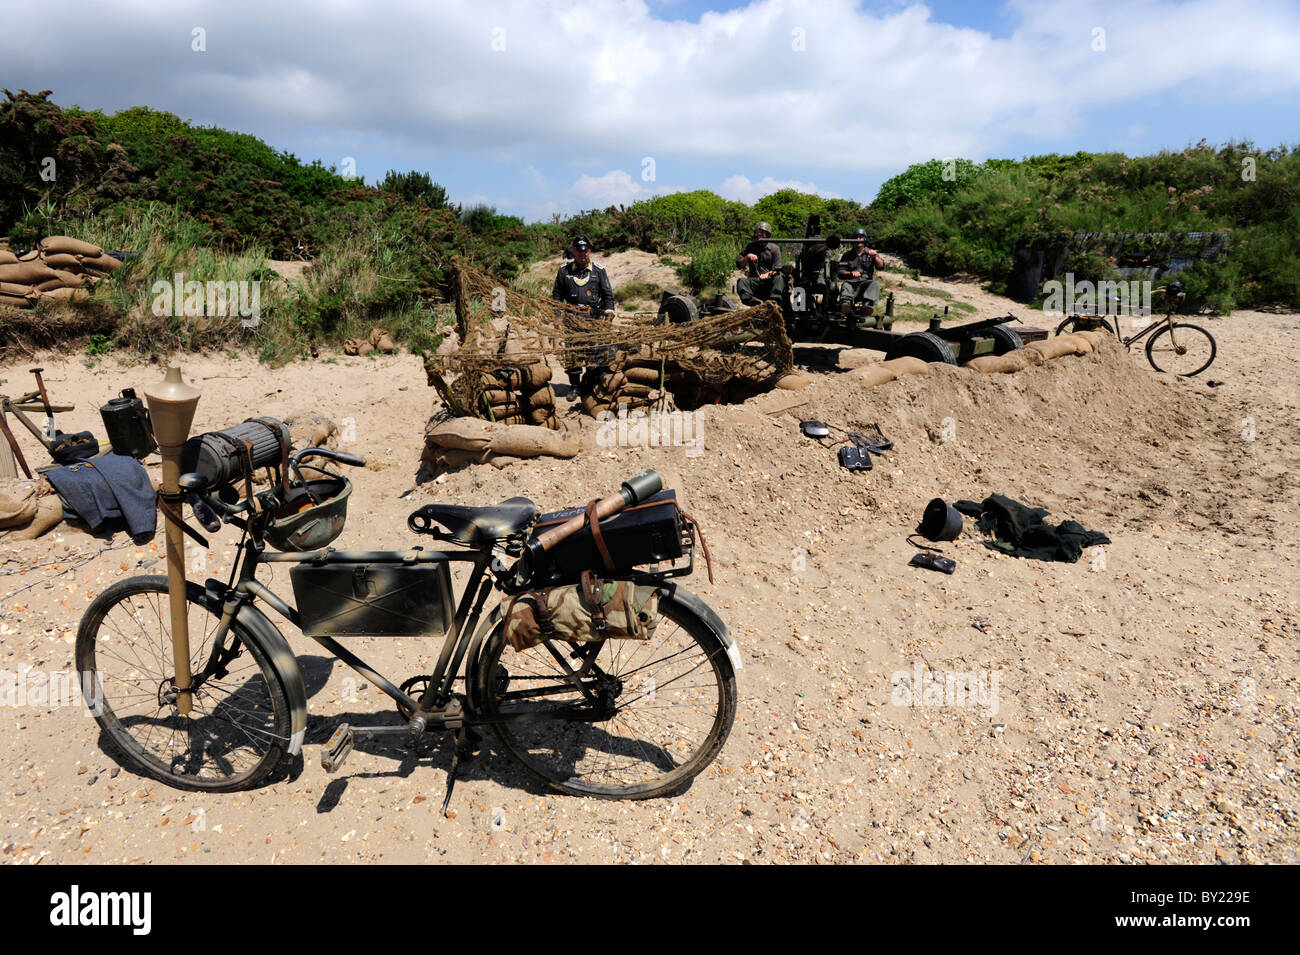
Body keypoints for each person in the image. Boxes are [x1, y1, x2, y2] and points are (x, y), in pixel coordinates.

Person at [551, 235, 615, 395]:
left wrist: (609, 316)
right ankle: (574, 387)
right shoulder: (564, 270)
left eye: (585, 252)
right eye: (579, 252)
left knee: (594, 352)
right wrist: (557, 316)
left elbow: (608, 296)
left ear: (590, 252)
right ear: (574, 252)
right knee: (573, 353)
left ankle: (588, 382)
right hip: (572, 319)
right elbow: (557, 296)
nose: (582, 255)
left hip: (593, 319)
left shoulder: (599, 271)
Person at [837, 228, 885, 317]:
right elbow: (840, 272)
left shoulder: (870, 253)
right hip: (852, 284)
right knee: (846, 284)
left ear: (864, 239)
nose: (858, 239)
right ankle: (846, 305)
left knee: (875, 284)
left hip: (865, 285)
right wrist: (851, 273)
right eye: (856, 237)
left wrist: (874, 257)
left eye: (861, 237)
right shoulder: (847, 255)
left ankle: (866, 305)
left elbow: (881, 266)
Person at [735, 221, 784, 306]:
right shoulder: (750, 246)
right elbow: (739, 264)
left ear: (767, 234)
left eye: (762, 232)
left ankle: (774, 301)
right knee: (742, 281)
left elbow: (777, 269)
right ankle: (751, 300)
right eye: (757, 232)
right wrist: (747, 257)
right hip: (755, 280)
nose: (759, 234)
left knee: (779, 279)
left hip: (769, 281)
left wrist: (768, 274)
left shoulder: (774, 248)